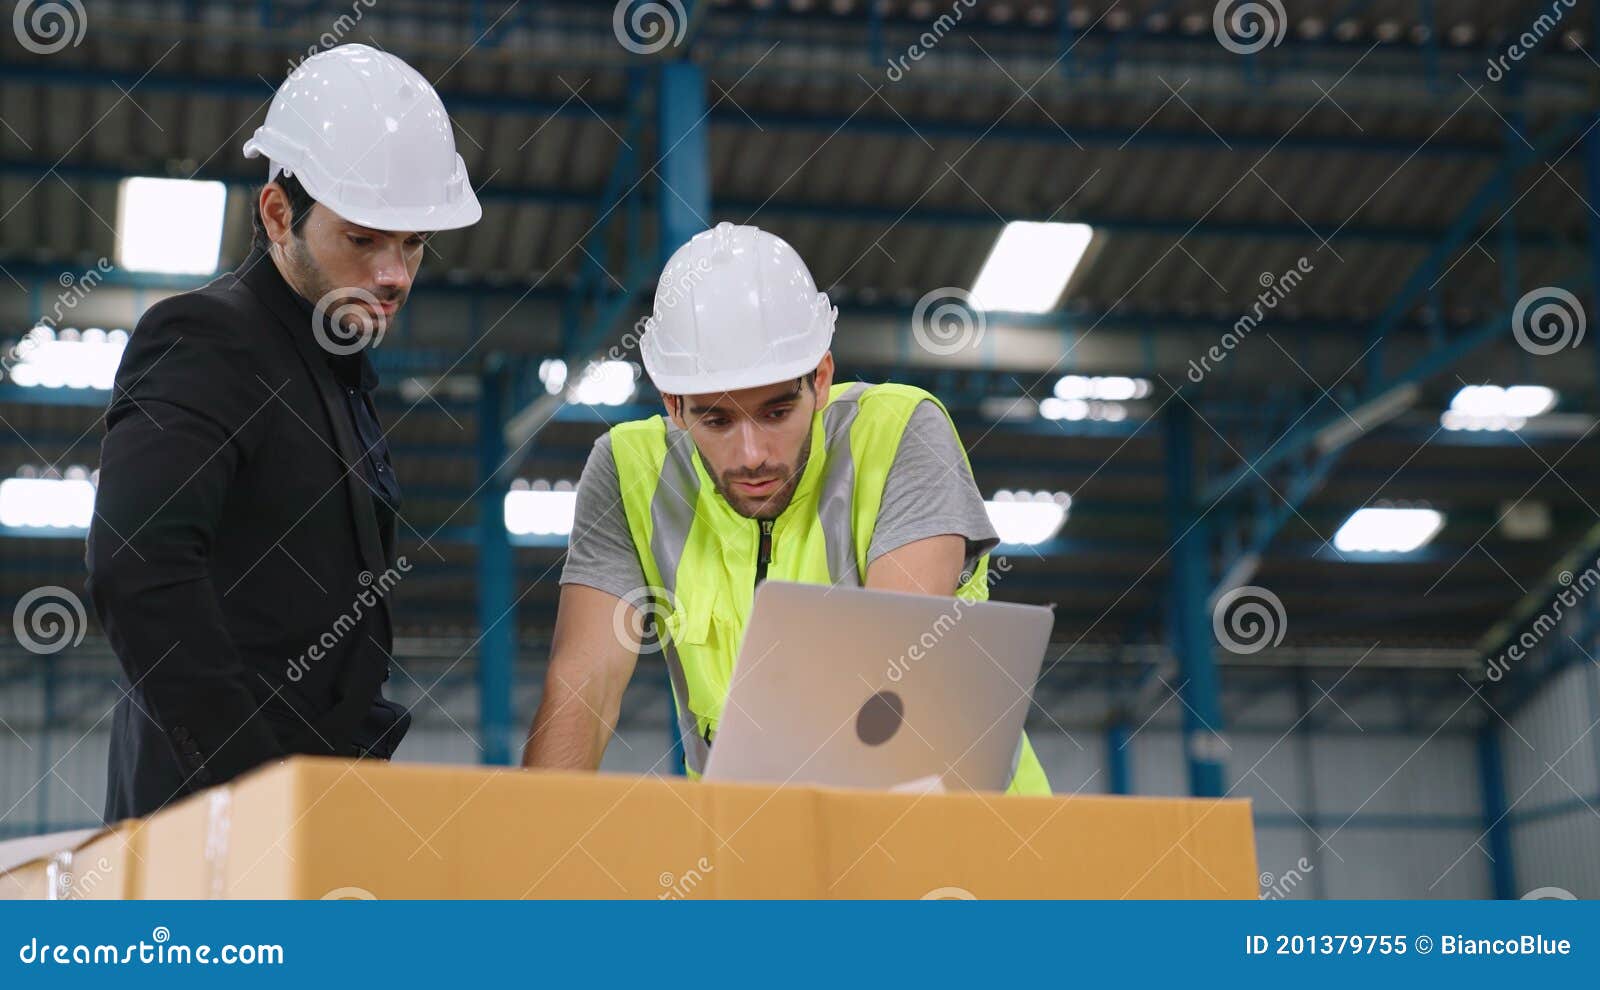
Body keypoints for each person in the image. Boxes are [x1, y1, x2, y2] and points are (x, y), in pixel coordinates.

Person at [89, 44, 481, 821]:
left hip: (316, 813)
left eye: (413, 243)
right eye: (363, 239)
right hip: (210, 829)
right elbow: (139, 566)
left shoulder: (339, 371)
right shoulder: (208, 339)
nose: (395, 274)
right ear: (277, 215)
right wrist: (254, 791)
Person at [521, 221, 1050, 794]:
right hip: (750, 834)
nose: (752, 456)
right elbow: (584, 685)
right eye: (717, 420)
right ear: (673, 404)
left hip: (963, 824)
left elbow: (893, 677)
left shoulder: (900, 434)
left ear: (820, 379)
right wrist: (539, 841)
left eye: (776, 413)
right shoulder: (628, 472)